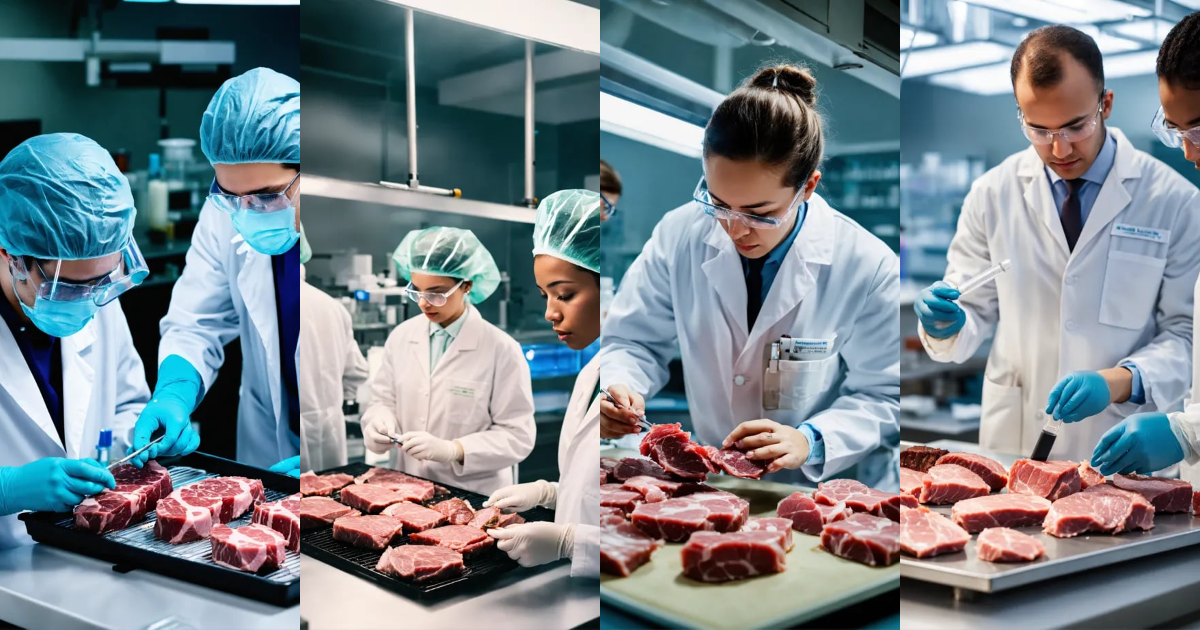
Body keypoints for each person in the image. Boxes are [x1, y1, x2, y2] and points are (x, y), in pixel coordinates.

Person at [598, 64, 901, 490]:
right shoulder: (678, 233)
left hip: (811, 492)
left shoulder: (866, 264)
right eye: (718, 204)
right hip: (710, 485)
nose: (734, 229)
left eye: (759, 214)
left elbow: (885, 394)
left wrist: (811, 440)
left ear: (808, 187)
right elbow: (634, 341)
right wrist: (621, 385)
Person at [914, 26, 1200, 462]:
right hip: (1016, 437)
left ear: (1105, 104)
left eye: (1075, 126)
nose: (1059, 148)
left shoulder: (1175, 201)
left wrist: (1120, 379)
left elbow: (1185, 334)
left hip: (1121, 438)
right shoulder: (991, 194)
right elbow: (969, 308)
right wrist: (946, 323)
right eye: (1039, 130)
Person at [128, 67, 303, 473]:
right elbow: (196, 322)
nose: (245, 211)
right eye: (230, 194)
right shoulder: (223, 213)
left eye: (265, 196)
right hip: (267, 450)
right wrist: (174, 393)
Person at [0, 133, 156, 548]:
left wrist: (139, 439)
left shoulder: (95, 294)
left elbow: (124, 402)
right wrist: (7, 488)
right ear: (9, 254)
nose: (89, 302)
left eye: (101, 282)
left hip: (84, 551)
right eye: (68, 287)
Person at [1091, 12, 1200, 482]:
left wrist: (1188, 431)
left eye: (1198, 131)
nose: (1189, 152)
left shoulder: (1176, 200)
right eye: (1175, 131)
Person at [361, 227, 536, 495]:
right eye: (416, 290)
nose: (424, 303)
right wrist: (378, 421)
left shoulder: (501, 349)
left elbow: (517, 436)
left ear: (467, 285)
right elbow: (383, 400)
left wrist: (454, 450)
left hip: (472, 493)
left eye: (436, 293)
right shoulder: (402, 336)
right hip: (407, 487)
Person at [485, 190, 602, 576]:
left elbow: (663, 522)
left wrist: (573, 541)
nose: (551, 312)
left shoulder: (638, 382)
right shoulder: (592, 372)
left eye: (565, 295)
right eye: (545, 296)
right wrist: (551, 494)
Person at [298, 225, 368, 472]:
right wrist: (328, 401)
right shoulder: (333, 307)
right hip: (330, 432)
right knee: (326, 502)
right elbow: (357, 373)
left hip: (282, 439)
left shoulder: (268, 303)